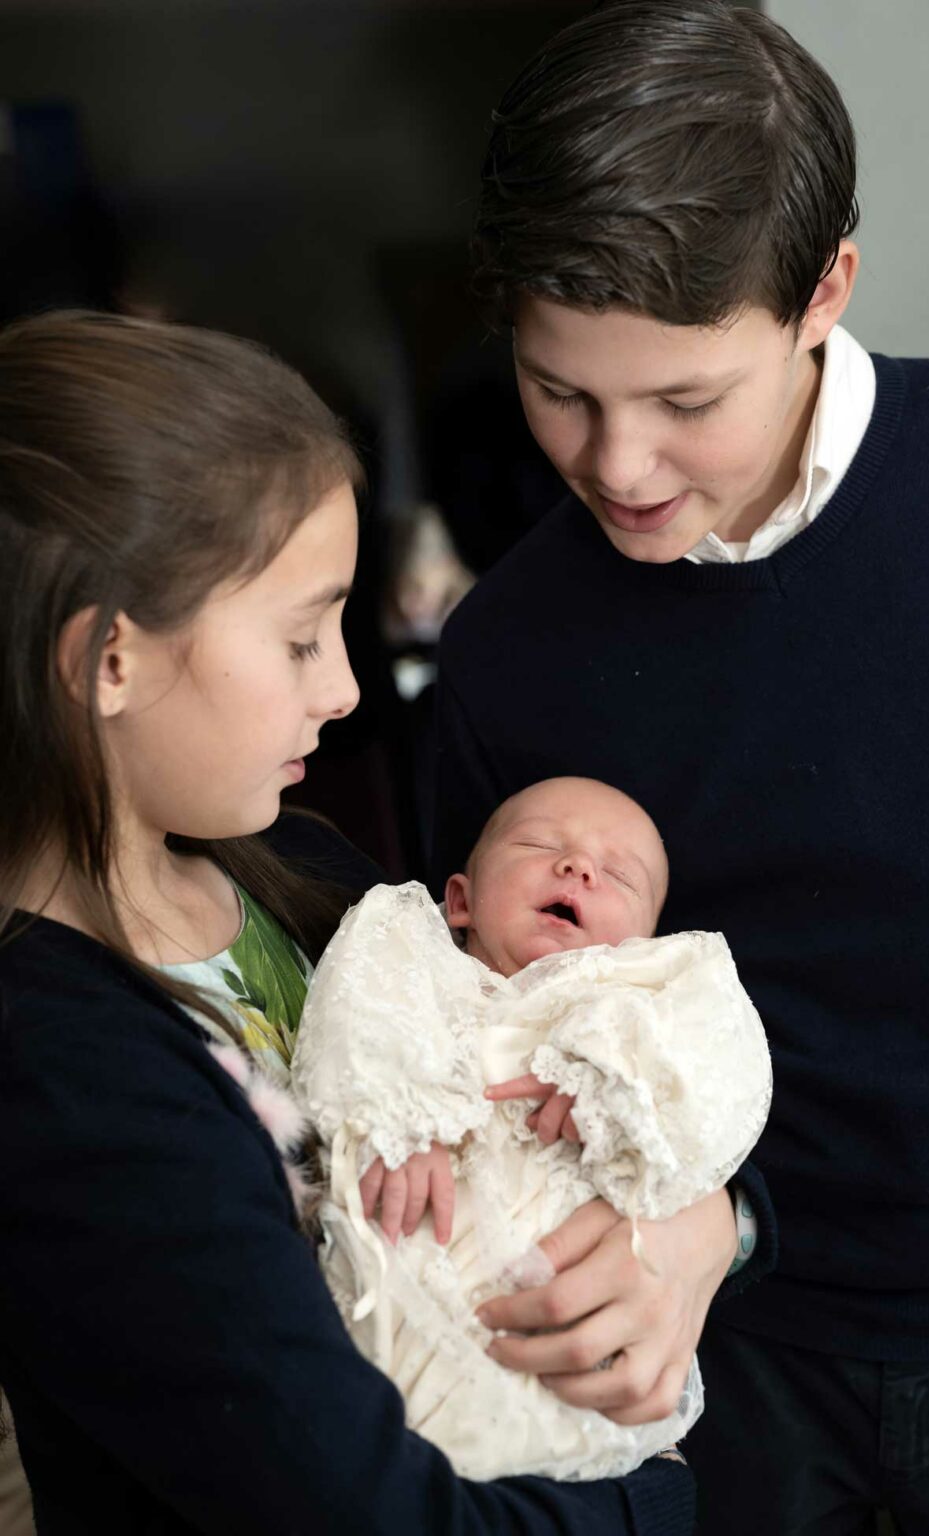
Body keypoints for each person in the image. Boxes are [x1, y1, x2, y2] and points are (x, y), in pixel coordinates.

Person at [431, 2, 929, 1532]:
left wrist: (743, 1212)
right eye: (561, 390)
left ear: (826, 289)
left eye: (686, 401)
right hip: (718, 1381)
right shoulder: (507, 656)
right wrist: (714, 1223)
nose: (618, 467)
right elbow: (489, 1044)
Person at [0, 310, 696, 1535]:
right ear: (106, 659)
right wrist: (660, 1505)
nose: (344, 687)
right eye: (299, 634)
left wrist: (703, 1227)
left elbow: (539, 1027)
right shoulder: (61, 1080)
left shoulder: (304, 871)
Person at [291, 775, 771, 1481]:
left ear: (646, 941)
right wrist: (402, 1117)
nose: (577, 868)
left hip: (576, 1357)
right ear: (460, 901)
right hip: (388, 1313)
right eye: (541, 845)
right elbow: (360, 1007)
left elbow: (728, 1079)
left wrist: (614, 1085)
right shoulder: (409, 943)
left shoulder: (663, 989)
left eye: (618, 874)